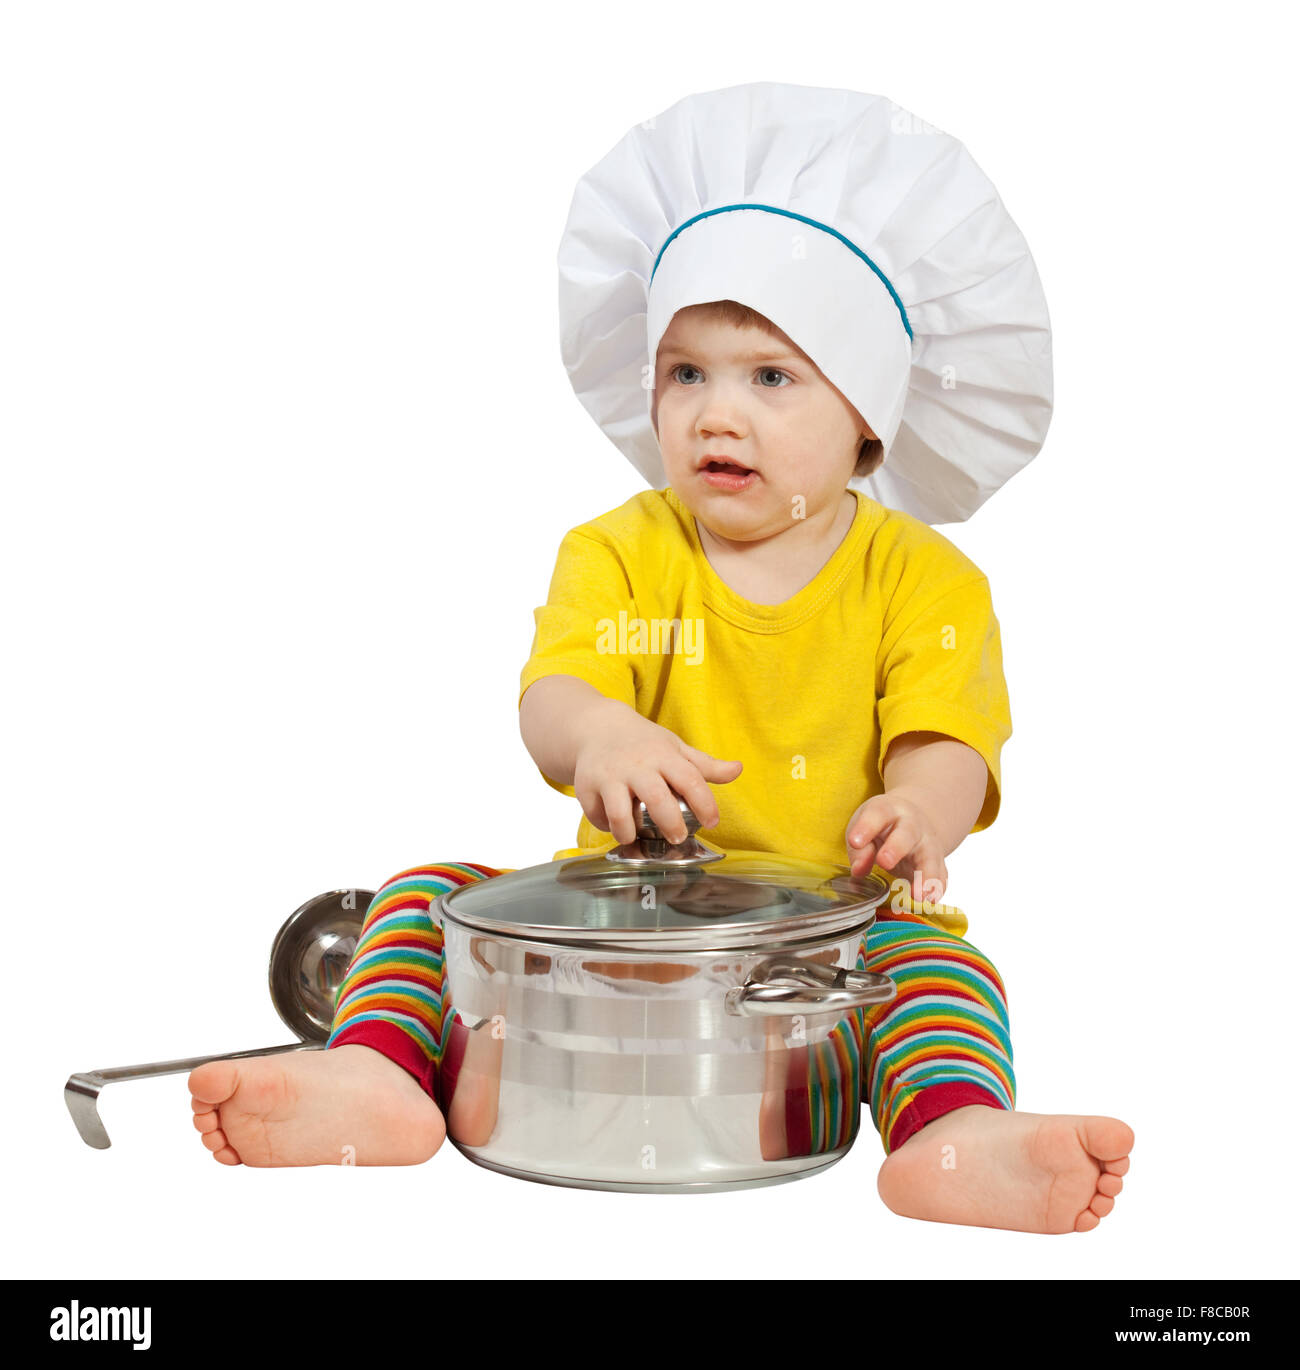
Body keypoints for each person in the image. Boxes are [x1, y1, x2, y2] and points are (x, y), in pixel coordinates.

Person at [187, 84, 1133, 1232]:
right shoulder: (622, 551)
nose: (713, 415)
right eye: (684, 372)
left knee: (937, 975)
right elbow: (555, 694)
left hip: (822, 947)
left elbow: (951, 743)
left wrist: (917, 810)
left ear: (870, 419)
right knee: (428, 895)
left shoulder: (922, 580)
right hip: (618, 936)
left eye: (769, 376)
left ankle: (949, 1137)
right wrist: (600, 732)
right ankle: (377, 1074)